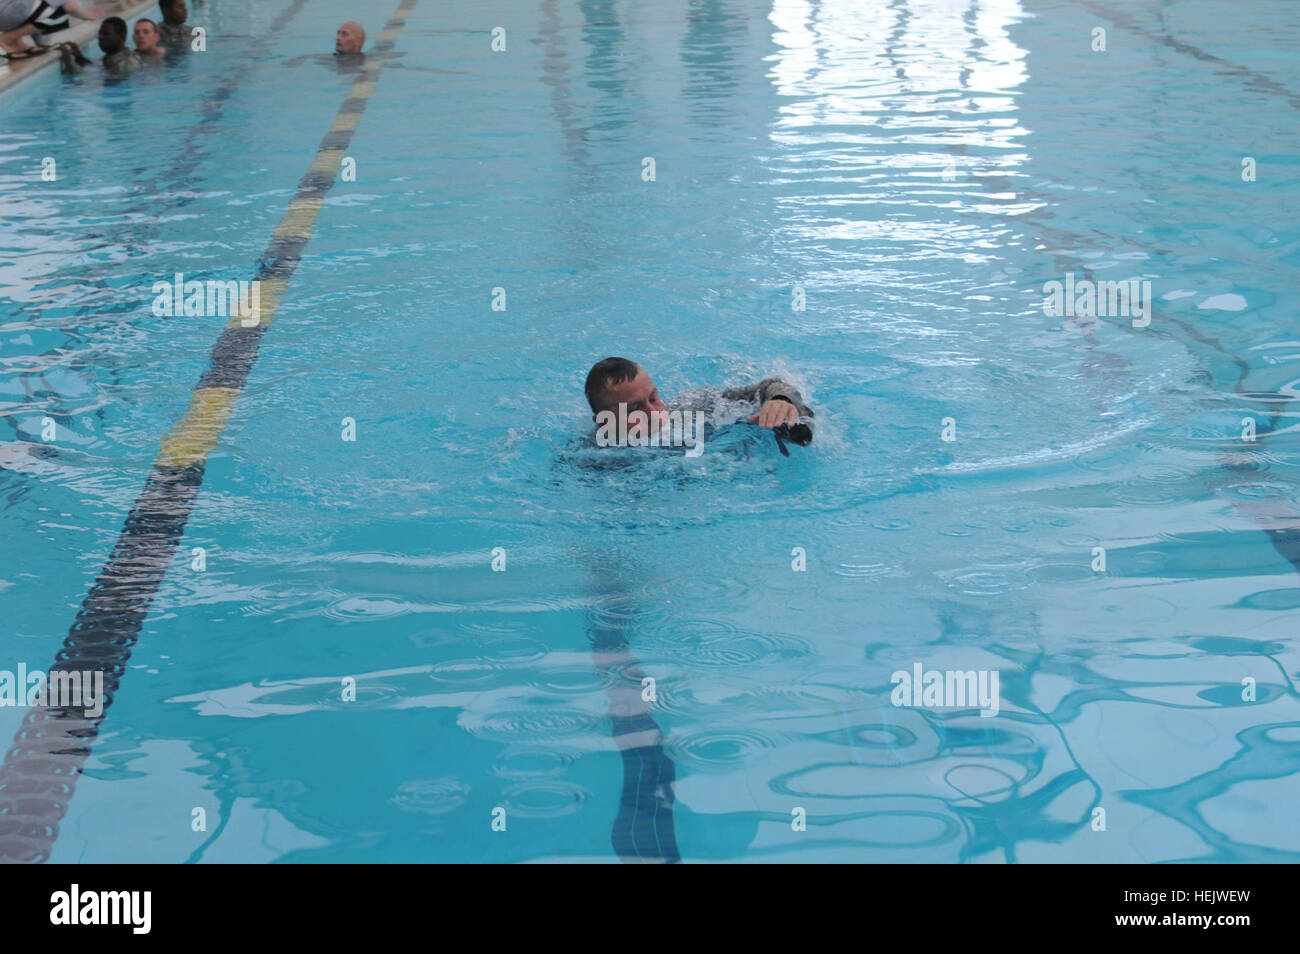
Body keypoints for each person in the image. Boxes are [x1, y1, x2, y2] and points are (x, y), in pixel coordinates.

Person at [584, 357, 813, 455]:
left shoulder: (692, 408)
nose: (655, 414)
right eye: (636, 409)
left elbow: (770, 386)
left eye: (654, 399)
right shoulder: (591, 460)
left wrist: (781, 402)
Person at [0, 0, 100, 59]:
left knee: (38, 7)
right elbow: (69, 7)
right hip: (5, 14)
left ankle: (17, 42)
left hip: (5, 11)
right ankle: (6, 39)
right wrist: (89, 16)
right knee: (60, 16)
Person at [60, 16, 139, 73]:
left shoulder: (127, 65)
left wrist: (69, 62)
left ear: (121, 36)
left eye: (105, 34)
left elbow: (92, 81)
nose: (100, 37)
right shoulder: (112, 57)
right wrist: (80, 58)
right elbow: (97, 70)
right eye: (100, 33)